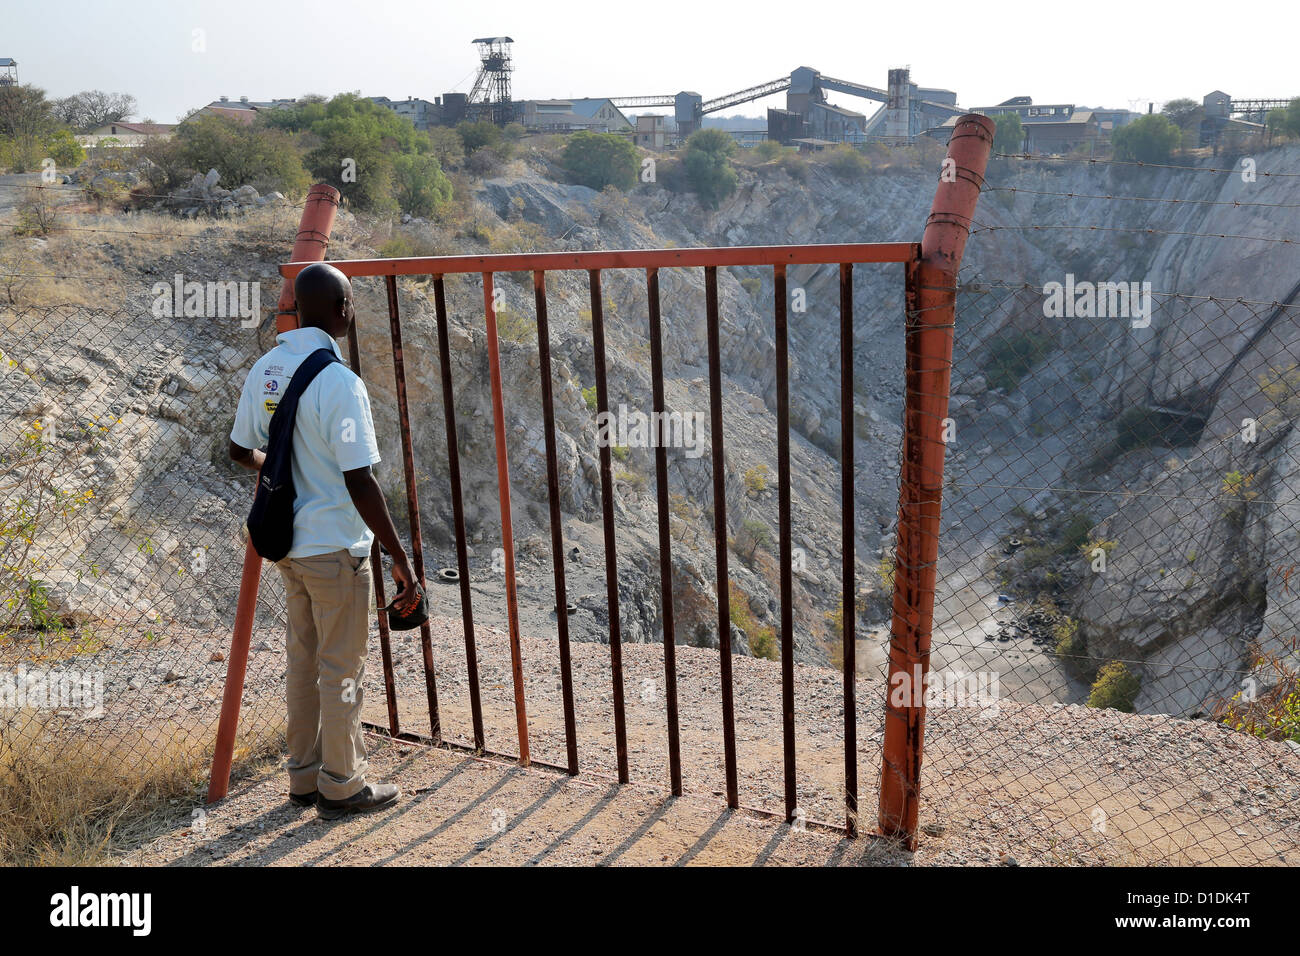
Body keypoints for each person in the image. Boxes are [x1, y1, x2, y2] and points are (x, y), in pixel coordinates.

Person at [229, 261, 419, 820]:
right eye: (351, 302)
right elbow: (359, 478)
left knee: (303, 661)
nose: (352, 310)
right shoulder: (339, 382)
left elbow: (240, 451)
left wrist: (281, 471)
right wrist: (398, 554)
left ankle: (304, 776)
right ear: (339, 311)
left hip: (286, 546)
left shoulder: (266, 368)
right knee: (342, 667)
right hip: (334, 547)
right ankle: (343, 784)